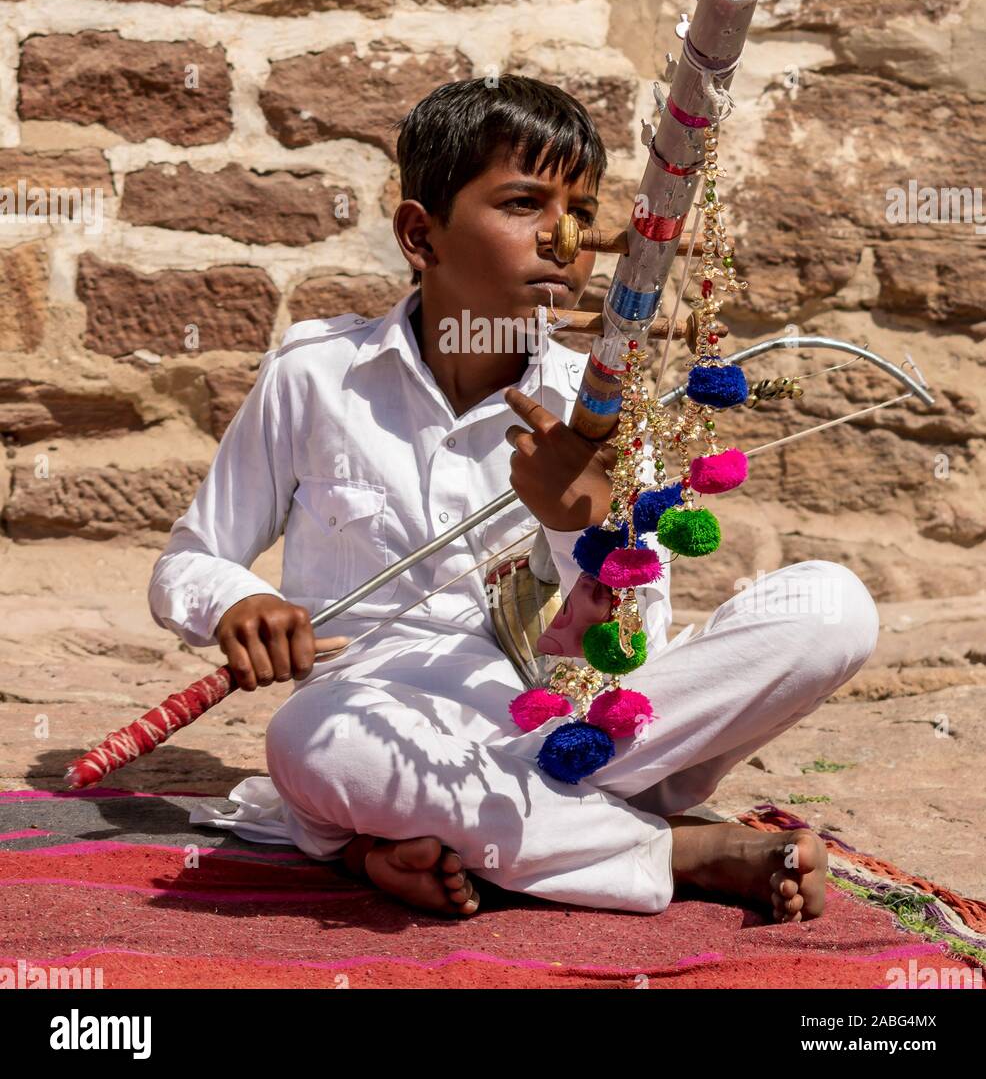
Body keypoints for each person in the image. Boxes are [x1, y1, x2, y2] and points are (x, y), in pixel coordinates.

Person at [148, 75, 880, 922]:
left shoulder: (604, 405)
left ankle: (412, 838)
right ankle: (670, 851)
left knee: (835, 607)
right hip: (383, 718)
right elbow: (190, 559)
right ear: (421, 234)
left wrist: (580, 523)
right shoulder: (317, 375)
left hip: (577, 733)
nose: (565, 237)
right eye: (525, 202)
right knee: (310, 741)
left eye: (581, 208)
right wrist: (240, 600)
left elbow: (628, 662)